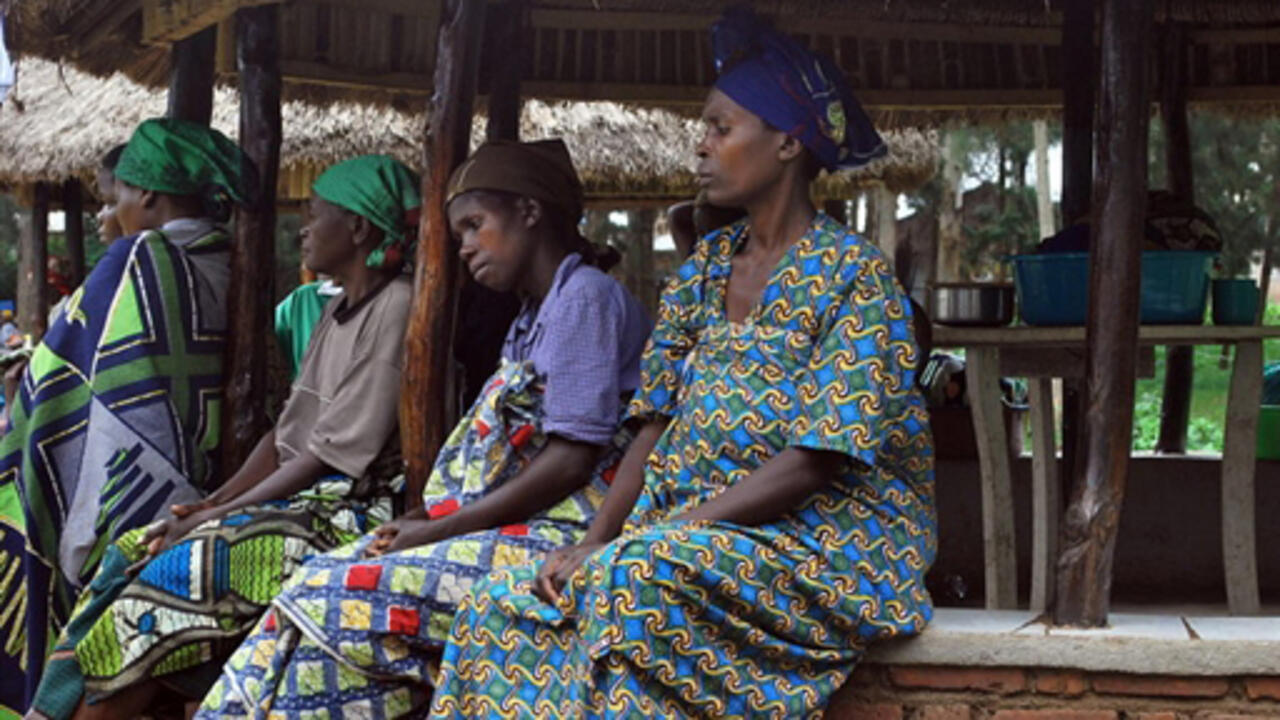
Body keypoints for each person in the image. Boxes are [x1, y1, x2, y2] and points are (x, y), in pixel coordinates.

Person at [428, 8, 936, 718]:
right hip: (688, 537)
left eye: (720, 129)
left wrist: (660, 537)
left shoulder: (856, 277)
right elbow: (653, 423)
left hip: (822, 545)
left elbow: (815, 460)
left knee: (631, 585)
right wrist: (594, 540)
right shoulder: (704, 270)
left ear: (789, 142)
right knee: (497, 607)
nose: (699, 146)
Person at [196, 139, 652, 719]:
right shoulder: (533, 317)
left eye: (474, 226)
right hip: (514, 521)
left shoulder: (586, 299)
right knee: (309, 595)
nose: (464, 247)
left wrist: (442, 528)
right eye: (459, 234)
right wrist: (426, 519)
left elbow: (570, 461)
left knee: (334, 592)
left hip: (564, 530)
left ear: (530, 212)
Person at [24, 155, 420, 720]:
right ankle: (50, 710)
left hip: (351, 511)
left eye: (314, 214)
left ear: (357, 227)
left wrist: (217, 516)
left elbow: (325, 456)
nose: (303, 229)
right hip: (307, 498)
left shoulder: (397, 306)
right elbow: (286, 432)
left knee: (173, 576)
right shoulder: (336, 308)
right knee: (133, 550)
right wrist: (213, 503)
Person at [0, 117, 256, 717]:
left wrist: (25, 396)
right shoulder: (233, 260)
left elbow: (68, 370)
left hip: (137, 491)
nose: (112, 211)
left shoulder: (140, 255)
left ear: (147, 193)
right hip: (204, 470)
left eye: (116, 197)